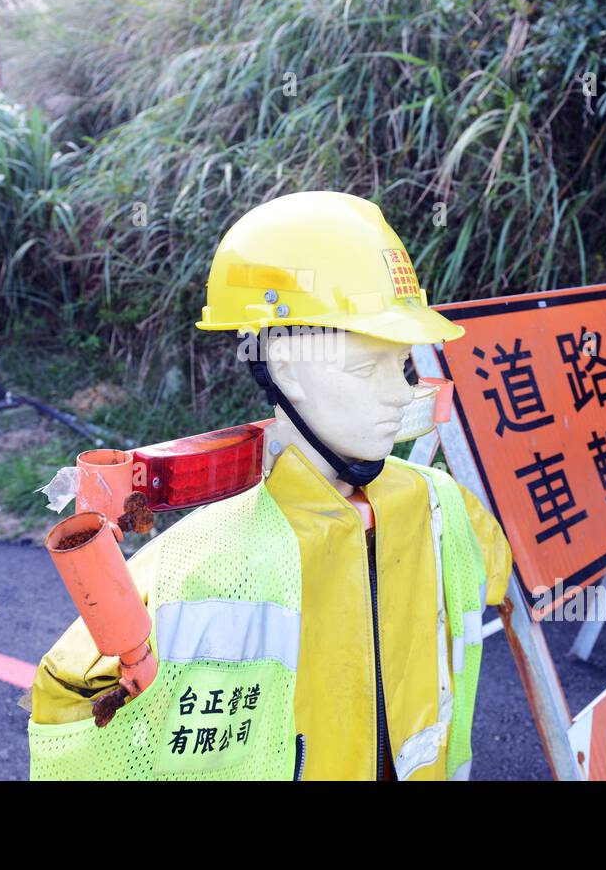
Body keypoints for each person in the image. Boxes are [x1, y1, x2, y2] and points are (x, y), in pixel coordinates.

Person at [27, 191, 512, 780]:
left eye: (404, 364)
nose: (399, 393)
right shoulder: (199, 568)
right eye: (366, 367)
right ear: (283, 366)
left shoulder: (439, 508)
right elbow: (76, 707)